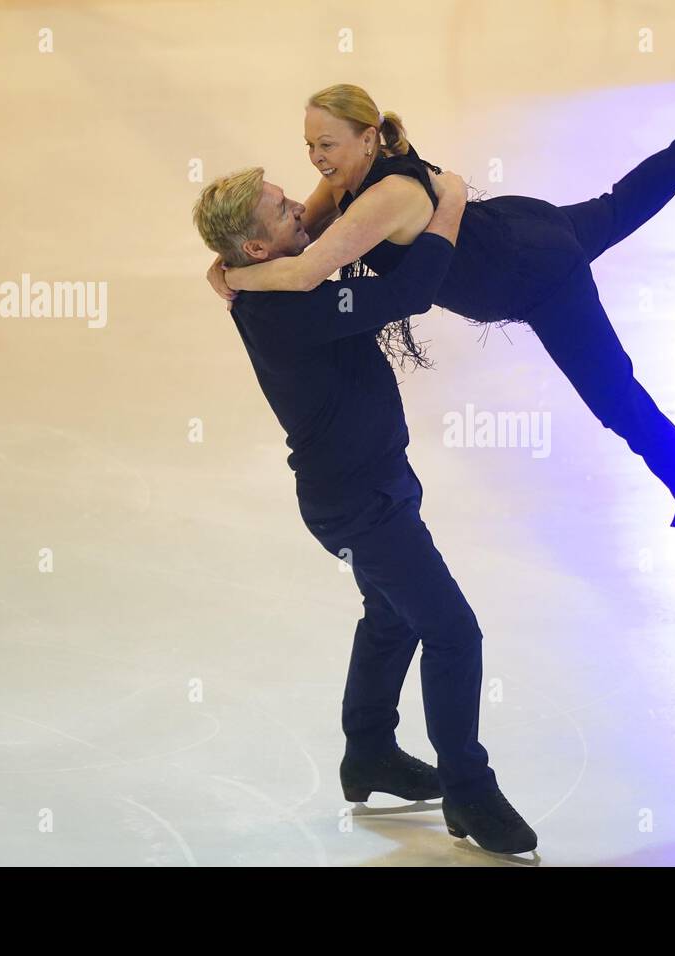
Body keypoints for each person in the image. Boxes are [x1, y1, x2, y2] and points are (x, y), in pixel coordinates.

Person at [208, 84, 675, 634]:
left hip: (535, 274)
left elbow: (308, 269)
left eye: (327, 144)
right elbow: (299, 237)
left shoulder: (386, 196)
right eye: (309, 145)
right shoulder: (345, 183)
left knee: (617, 399)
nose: (316, 157)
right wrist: (230, 263)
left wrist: (231, 272)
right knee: (620, 205)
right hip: (526, 229)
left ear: (366, 138)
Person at [193, 165, 537, 855]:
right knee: (452, 632)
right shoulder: (287, 304)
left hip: (372, 483)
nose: (301, 209)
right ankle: (469, 790)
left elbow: (286, 247)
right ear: (258, 251)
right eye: (283, 209)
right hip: (356, 504)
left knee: (391, 615)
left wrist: (225, 271)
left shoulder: (278, 273)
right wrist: (452, 203)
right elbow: (412, 291)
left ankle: (371, 751)